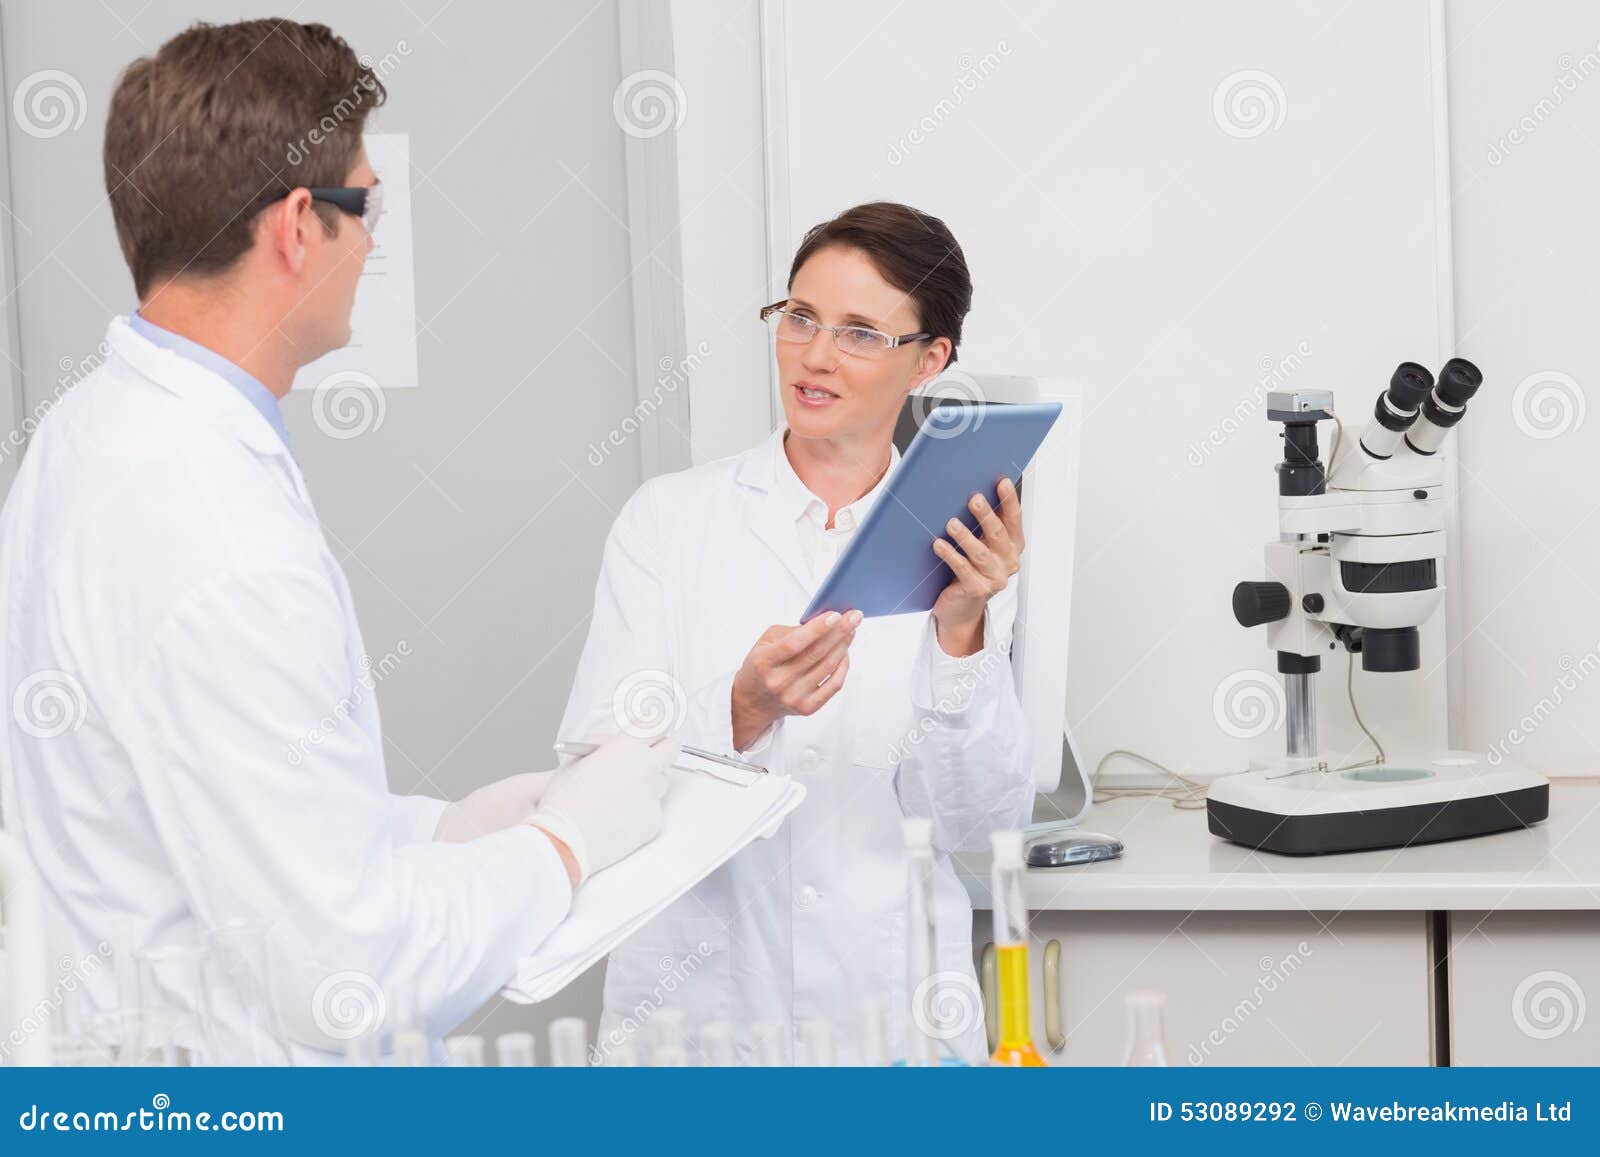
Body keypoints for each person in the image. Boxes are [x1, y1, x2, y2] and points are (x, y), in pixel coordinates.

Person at [0, 19, 672, 1065]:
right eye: (369, 207)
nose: (373, 247)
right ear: (300, 226)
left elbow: (227, 822)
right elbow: (350, 976)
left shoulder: (93, 430)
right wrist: (562, 846)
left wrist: (439, 831)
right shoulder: (210, 526)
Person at [561, 201, 1034, 1064]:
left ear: (931, 360)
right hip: (701, 1024)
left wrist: (962, 632)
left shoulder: (966, 547)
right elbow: (591, 776)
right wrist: (736, 712)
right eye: (801, 316)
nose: (814, 354)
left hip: (894, 1020)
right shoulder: (669, 523)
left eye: (860, 332)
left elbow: (978, 823)